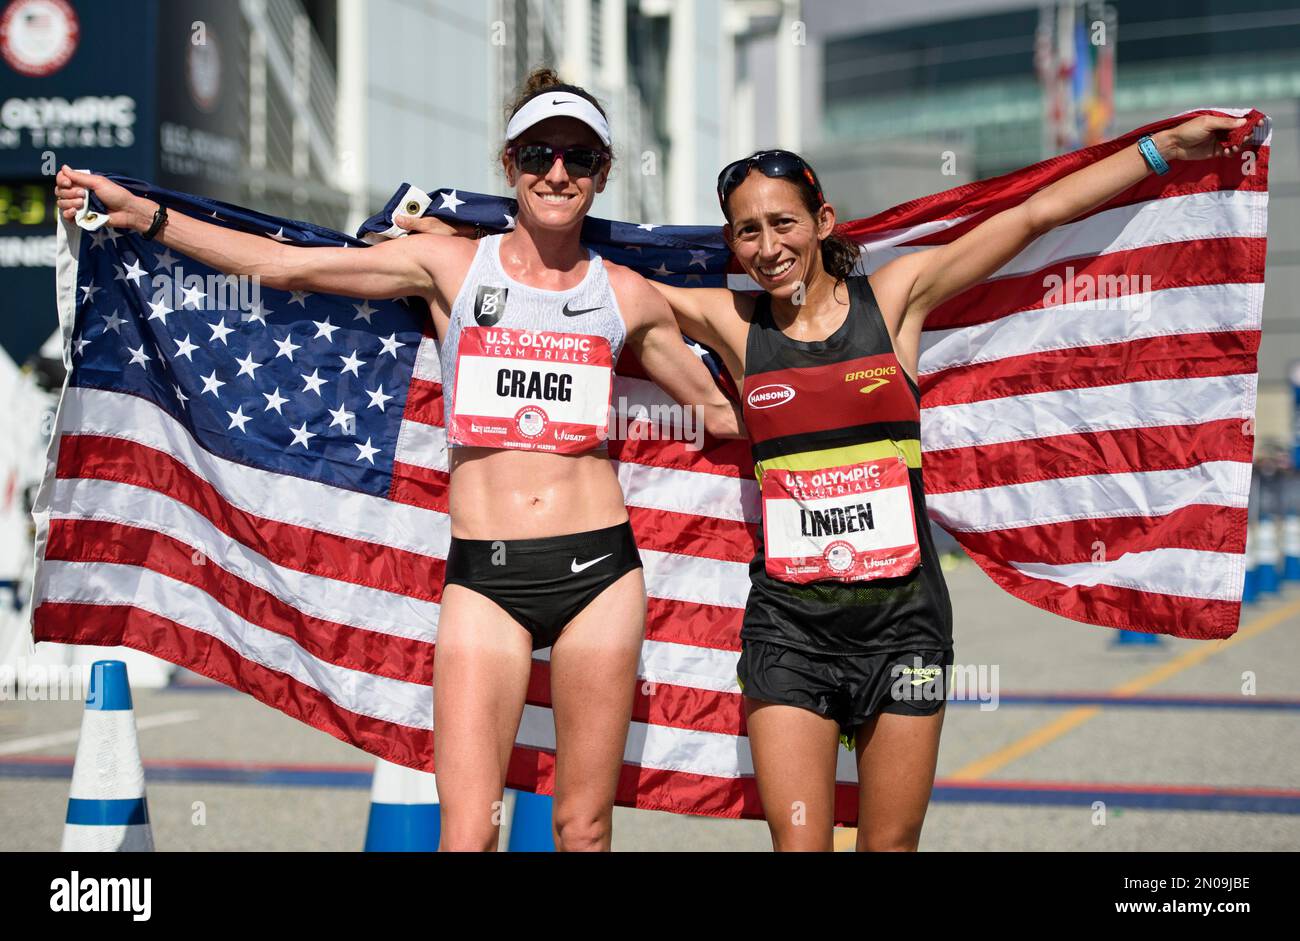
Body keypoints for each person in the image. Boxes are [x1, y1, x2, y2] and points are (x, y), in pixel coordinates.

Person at [55, 67, 744, 852]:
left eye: (579, 158)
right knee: (466, 833)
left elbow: (722, 411)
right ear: (510, 163)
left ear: (603, 173)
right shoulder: (450, 265)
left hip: (598, 572)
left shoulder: (626, 293)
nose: (558, 172)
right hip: (486, 575)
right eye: (539, 153)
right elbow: (286, 266)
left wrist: (715, 312)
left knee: (582, 828)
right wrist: (150, 217)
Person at [648, 115, 1247, 850]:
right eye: (746, 232)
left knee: (889, 846)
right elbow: (605, 282)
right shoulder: (733, 325)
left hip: (906, 629)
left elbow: (1034, 215)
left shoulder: (894, 297)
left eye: (783, 223)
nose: (768, 248)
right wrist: (491, 225)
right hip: (789, 632)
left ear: (822, 220)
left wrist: (1159, 150)